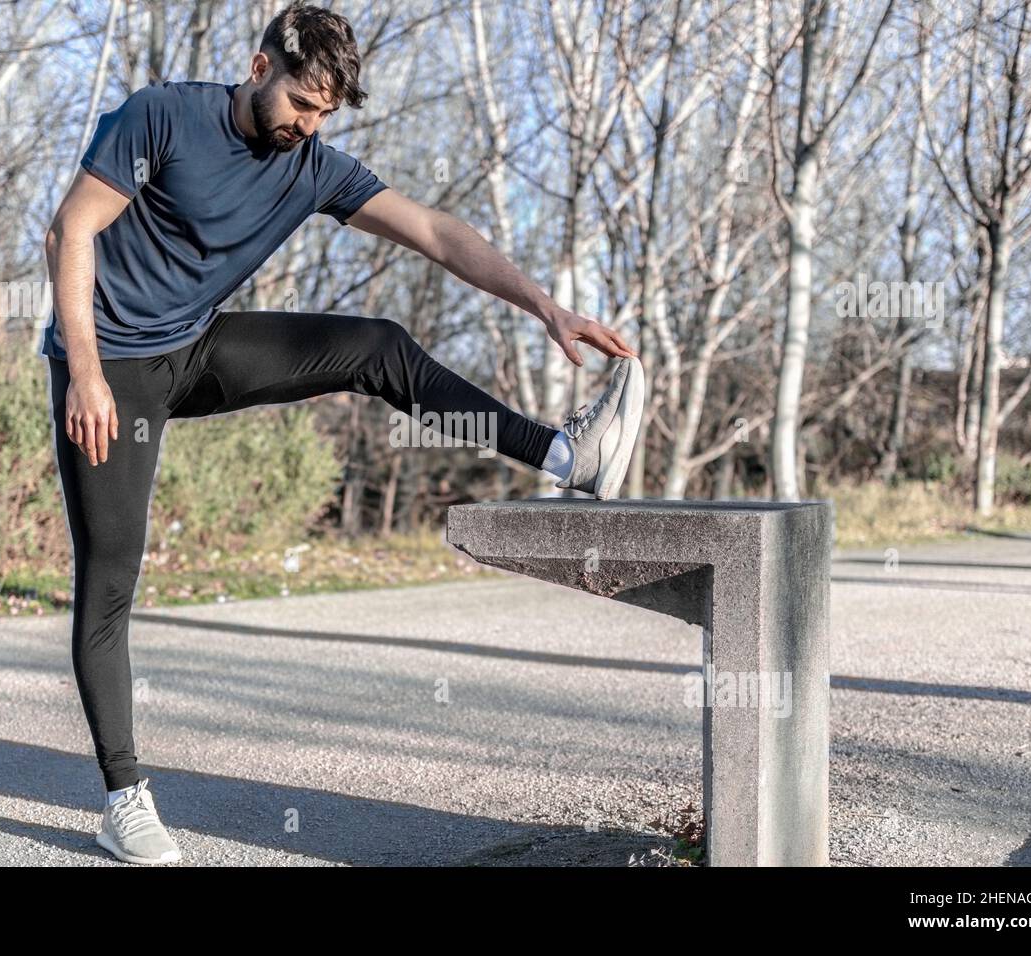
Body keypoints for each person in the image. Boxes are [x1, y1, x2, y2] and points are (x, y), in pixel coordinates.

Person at [41, 0, 644, 864]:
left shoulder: (313, 166)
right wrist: (87, 373)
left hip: (197, 346)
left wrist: (547, 305)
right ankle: (124, 798)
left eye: (325, 112)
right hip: (110, 367)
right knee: (110, 581)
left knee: (376, 345)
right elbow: (71, 230)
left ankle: (561, 453)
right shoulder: (162, 114)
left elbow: (435, 231)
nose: (307, 125)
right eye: (300, 102)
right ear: (259, 69)